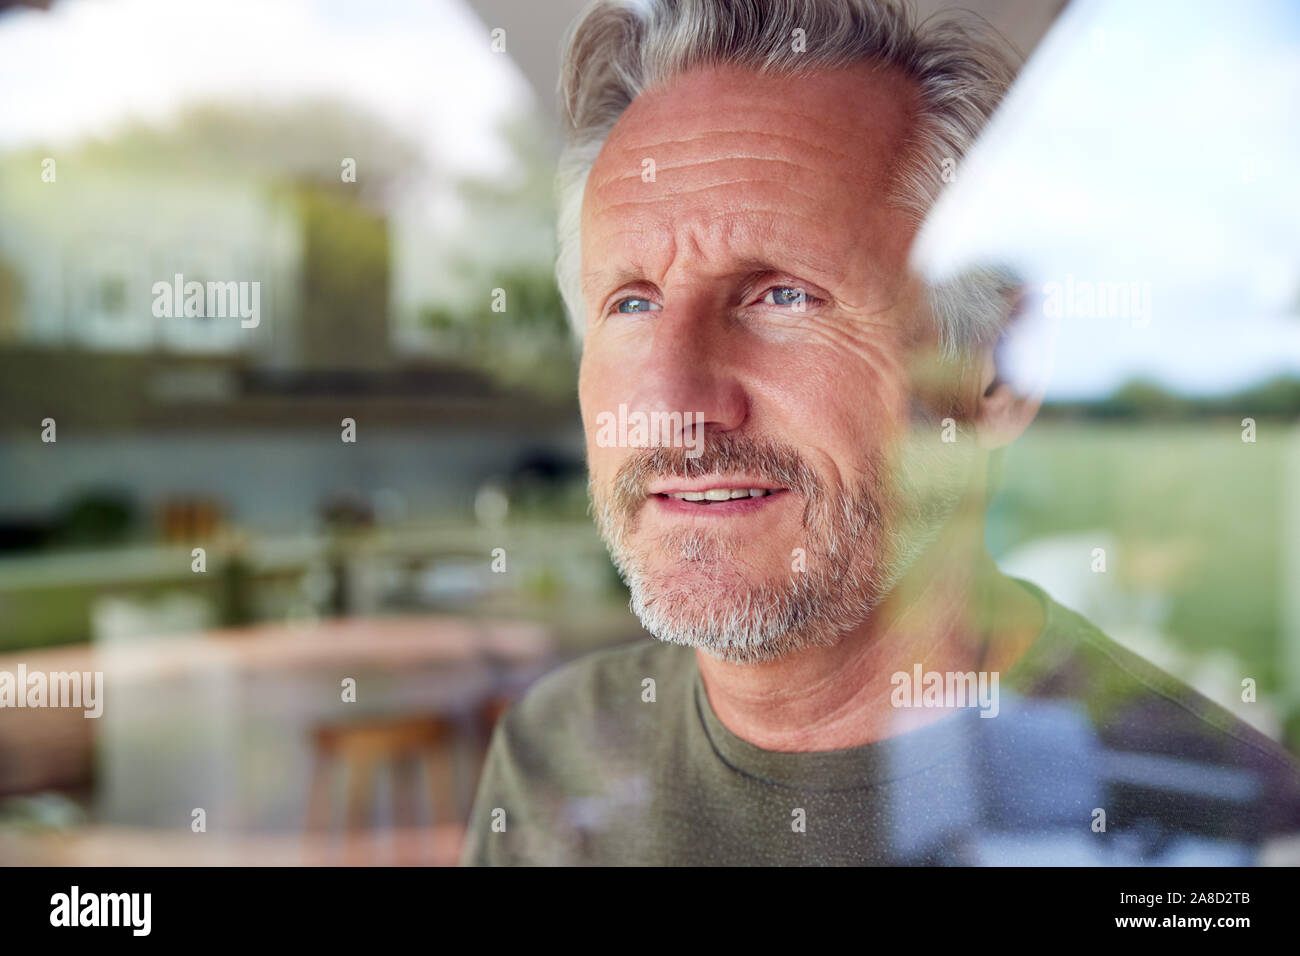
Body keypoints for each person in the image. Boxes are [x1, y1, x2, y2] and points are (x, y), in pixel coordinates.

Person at [461, 0, 1300, 865]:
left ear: (994, 374)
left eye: (782, 295)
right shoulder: (554, 754)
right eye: (632, 302)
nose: (674, 402)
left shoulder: (1203, 826)